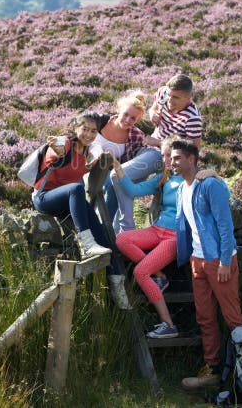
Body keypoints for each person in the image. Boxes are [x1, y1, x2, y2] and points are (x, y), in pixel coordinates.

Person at [113, 136, 217, 339]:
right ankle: (160, 276)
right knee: (122, 240)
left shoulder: (196, 178)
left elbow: (215, 186)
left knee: (141, 272)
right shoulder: (165, 177)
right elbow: (134, 190)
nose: (167, 159)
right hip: (157, 229)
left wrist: (212, 173)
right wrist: (117, 167)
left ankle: (168, 324)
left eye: (171, 155)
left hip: (175, 237)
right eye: (163, 155)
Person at [31, 111, 130, 309]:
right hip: (44, 198)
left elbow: (95, 154)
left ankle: (118, 286)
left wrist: (99, 156)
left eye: (93, 131)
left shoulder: (86, 151)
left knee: (103, 237)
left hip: (67, 201)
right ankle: (86, 244)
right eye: (84, 128)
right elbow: (58, 145)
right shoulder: (66, 143)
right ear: (75, 128)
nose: (89, 134)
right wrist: (56, 147)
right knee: (77, 189)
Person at [170, 138, 242, 390]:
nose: (172, 162)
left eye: (177, 158)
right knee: (205, 318)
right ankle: (212, 370)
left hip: (218, 260)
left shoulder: (211, 185)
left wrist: (225, 261)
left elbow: (225, 225)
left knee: (232, 317)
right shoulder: (181, 188)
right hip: (197, 260)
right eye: (171, 158)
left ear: (192, 159)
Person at [107, 75, 203, 233]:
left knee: (117, 175)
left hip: (162, 155)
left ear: (188, 97)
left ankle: (126, 229)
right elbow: (155, 107)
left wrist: (159, 143)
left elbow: (192, 150)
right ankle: (119, 235)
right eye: (169, 95)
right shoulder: (164, 93)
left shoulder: (192, 118)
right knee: (122, 185)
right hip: (147, 149)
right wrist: (153, 113)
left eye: (176, 98)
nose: (170, 100)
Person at [89, 90, 162, 233]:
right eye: (126, 115)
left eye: (133, 118)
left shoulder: (135, 135)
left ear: (138, 120)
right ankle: (106, 230)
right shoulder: (99, 121)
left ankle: (108, 231)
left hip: (110, 172)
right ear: (118, 110)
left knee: (114, 182)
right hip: (89, 167)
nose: (128, 120)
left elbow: (137, 161)